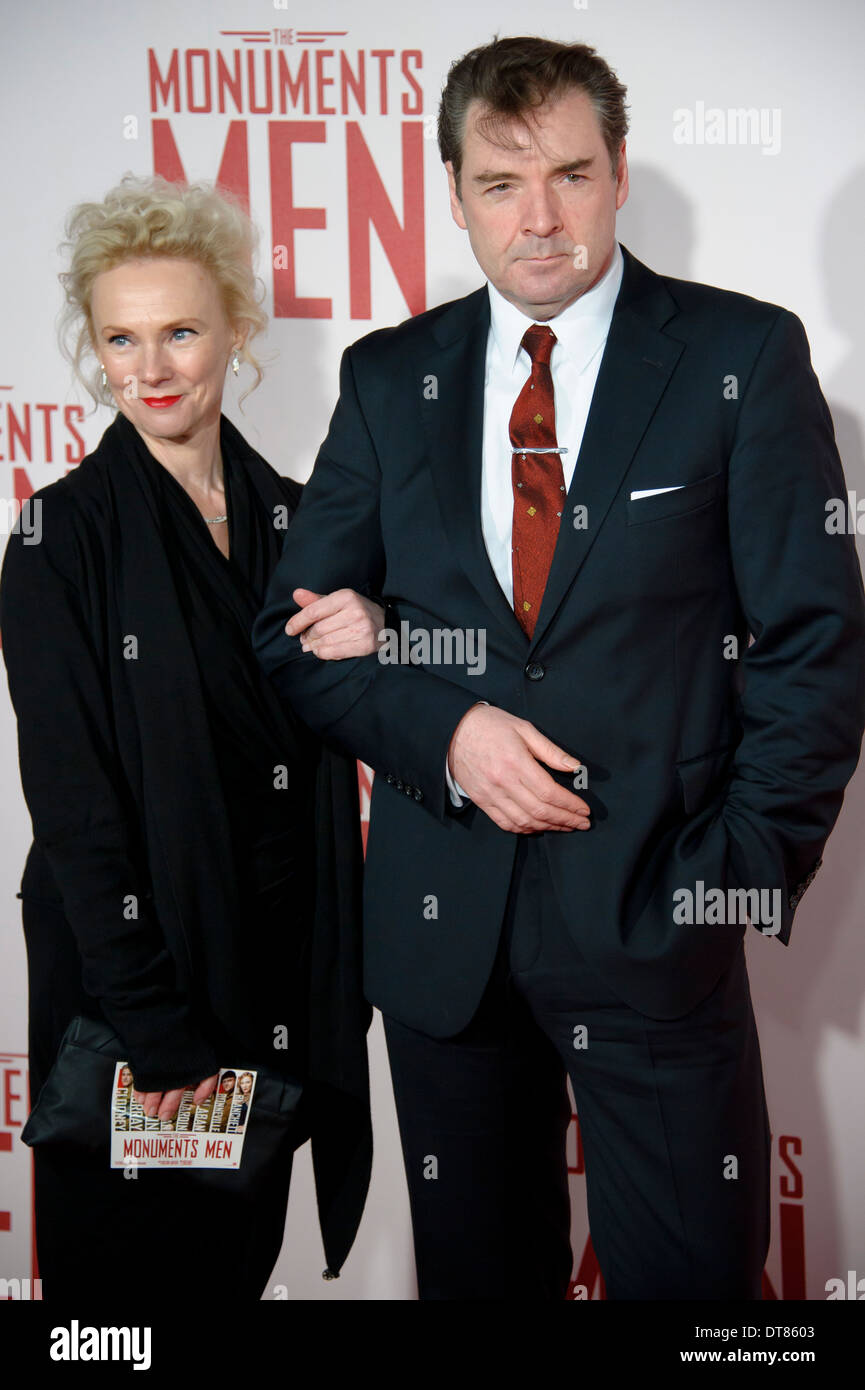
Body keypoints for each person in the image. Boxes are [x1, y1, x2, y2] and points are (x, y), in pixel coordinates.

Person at [253, 36, 865, 1299]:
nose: (538, 218)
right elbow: (289, 636)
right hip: (443, 944)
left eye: (571, 175)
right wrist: (448, 732)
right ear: (455, 190)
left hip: (659, 920)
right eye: (498, 183)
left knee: (696, 1297)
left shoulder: (737, 359)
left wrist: (730, 879)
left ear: (621, 171)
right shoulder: (386, 380)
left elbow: (814, 647)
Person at [1, 174, 383, 1301]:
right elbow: (72, 805)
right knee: (123, 1298)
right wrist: (154, 1030)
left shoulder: (301, 519)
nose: (151, 367)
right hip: (140, 995)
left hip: (271, 979)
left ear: (236, 330)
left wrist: (387, 623)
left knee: (229, 1272)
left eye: (179, 331)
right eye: (121, 338)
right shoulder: (56, 537)